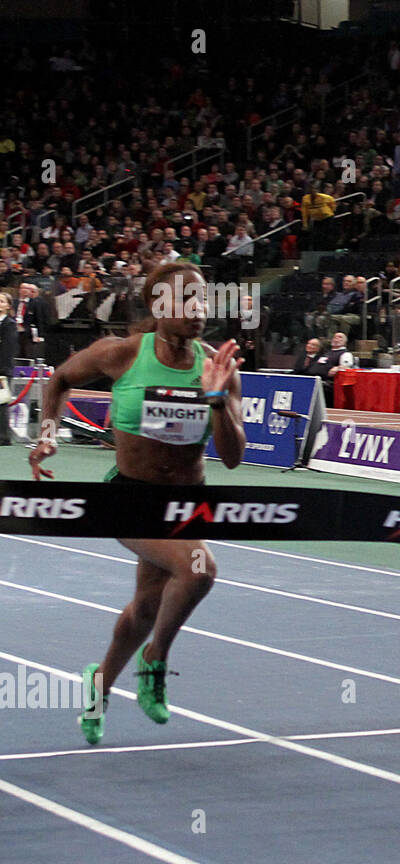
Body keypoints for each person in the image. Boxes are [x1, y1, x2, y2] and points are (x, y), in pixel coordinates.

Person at [28, 261, 246, 744]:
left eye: (204, 299)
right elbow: (58, 380)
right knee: (199, 569)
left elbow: (233, 458)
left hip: (185, 504)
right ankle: (155, 662)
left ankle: (98, 685)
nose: (199, 310)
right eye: (187, 300)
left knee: (146, 609)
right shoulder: (123, 354)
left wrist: (215, 401)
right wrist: (47, 435)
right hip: (129, 497)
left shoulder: (217, 369)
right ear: (158, 306)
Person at [0, 292, 16, 445]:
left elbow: (8, 348)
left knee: (1, 403)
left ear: (8, 306)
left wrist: (2, 370)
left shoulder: (9, 324)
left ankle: (3, 436)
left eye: (2, 301)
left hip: (2, 369)